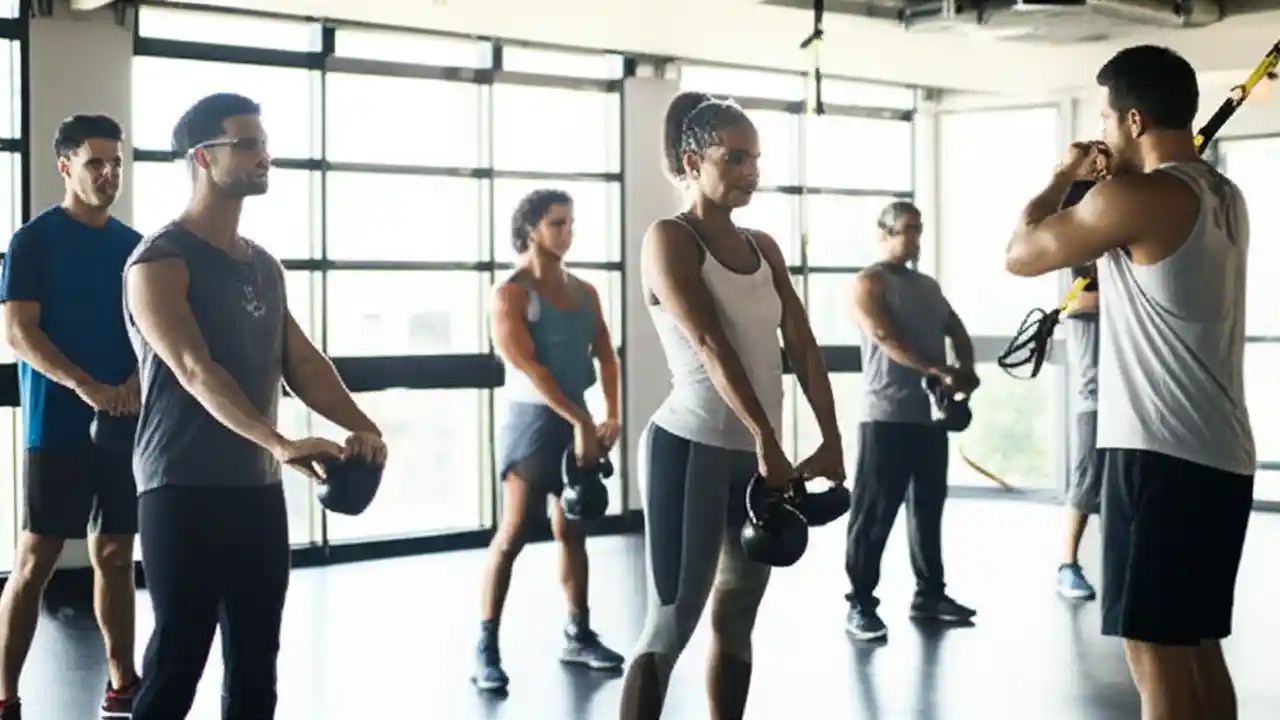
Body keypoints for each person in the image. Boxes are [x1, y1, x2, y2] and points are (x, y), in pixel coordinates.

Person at [1005, 45, 1253, 720]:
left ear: (1134, 120)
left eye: (1107, 121)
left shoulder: (1136, 198)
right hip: (1222, 455)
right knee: (1196, 645)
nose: (1103, 134)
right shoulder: (1223, 195)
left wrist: (1064, 175)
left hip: (1159, 453)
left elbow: (1021, 253)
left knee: (1152, 649)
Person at [122, 93, 388, 719]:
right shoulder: (159, 262)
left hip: (255, 490)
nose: (264, 156)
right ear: (203, 158)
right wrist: (281, 442)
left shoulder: (264, 265)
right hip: (180, 487)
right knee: (178, 660)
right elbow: (195, 370)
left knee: (255, 664)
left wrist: (365, 427)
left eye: (264, 144)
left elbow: (303, 364)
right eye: (247, 144)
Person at [618, 91, 845, 720]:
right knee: (671, 623)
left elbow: (802, 344)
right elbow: (711, 344)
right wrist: (769, 440)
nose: (751, 172)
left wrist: (830, 436)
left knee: (738, 616)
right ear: (694, 162)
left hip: (753, 458)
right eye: (736, 158)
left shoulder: (763, 247)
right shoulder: (669, 238)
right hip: (688, 448)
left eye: (756, 159)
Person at [0, 114, 142, 719]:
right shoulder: (33, 241)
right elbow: (18, 332)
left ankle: (123, 683)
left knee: (115, 554)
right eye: (95, 163)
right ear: (65, 166)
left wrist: (133, 382)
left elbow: (150, 331)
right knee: (36, 560)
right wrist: (87, 386)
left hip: (123, 425)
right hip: (55, 427)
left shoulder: (136, 247)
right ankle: (5, 694)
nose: (108, 174)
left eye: (116, 163)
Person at [472, 189, 625, 691]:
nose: (568, 232)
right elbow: (531, 369)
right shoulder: (511, 293)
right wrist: (580, 420)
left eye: (571, 222)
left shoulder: (585, 291)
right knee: (515, 530)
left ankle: (578, 634)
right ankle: (486, 646)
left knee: (572, 530)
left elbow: (606, 355)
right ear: (531, 229)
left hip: (575, 419)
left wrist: (611, 415)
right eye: (557, 223)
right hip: (533, 422)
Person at [843, 201, 979, 642]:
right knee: (874, 514)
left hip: (929, 418)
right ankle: (860, 603)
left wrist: (964, 368)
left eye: (919, 228)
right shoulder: (868, 283)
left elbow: (955, 327)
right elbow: (884, 336)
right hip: (886, 418)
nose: (916, 237)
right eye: (907, 229)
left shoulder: (927, 286)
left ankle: (930, 596)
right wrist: (938, 370)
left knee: (927, 510)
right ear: (883, 233)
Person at [1057, 263, 1101, 600]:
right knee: (1086, 485)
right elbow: (1071, 306)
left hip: (1125, 407)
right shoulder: (1077, 295)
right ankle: (1067, 566)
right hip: (1094, 406)